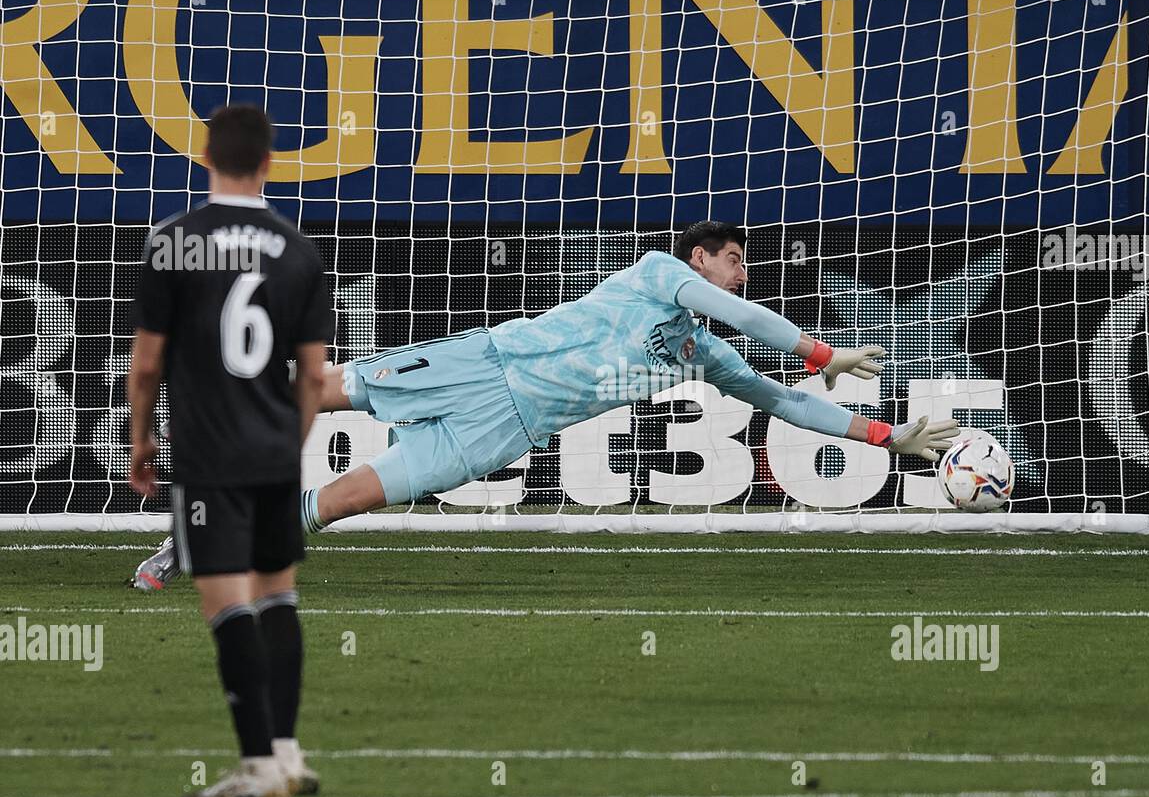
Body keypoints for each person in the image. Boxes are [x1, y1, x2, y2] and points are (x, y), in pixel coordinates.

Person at [135, 220, 957, 566]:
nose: (741, 270)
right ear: (700, 261)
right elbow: (741, 311)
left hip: (503, 431)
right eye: (733, 257)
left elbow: (785, 403)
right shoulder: (660, 275)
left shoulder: (702, 356)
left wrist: (883, 436)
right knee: (320, 388)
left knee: (344, 500)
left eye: (742, 261)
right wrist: (822, 348)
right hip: (484, 363)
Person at [128, 104, 332, 797]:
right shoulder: (297, 248)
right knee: (279, 599)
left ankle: (257, 768)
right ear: (270, 163)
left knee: (227, 609)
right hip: (275, 454)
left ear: (205, 157)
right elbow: (316, 375)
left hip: (210, 460)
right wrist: (291, 441)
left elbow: (147, 364)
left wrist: (141, 438)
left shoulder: (172, 242)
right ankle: (287, 754)